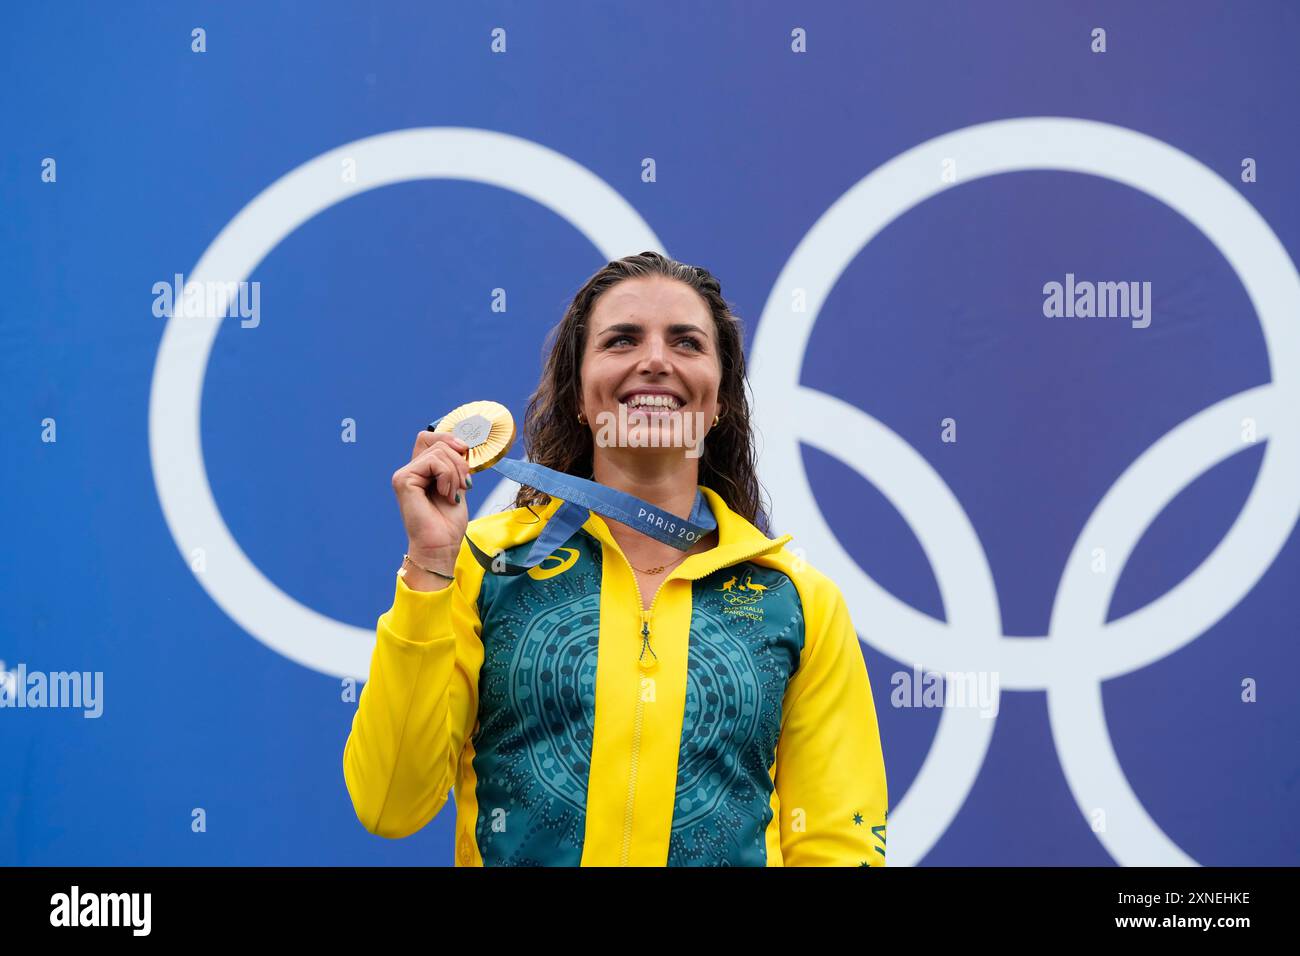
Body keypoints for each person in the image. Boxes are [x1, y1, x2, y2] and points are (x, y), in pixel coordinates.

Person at [343, 251, 887, 866]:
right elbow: (390, 804)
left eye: (686, 343)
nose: (655, 361)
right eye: (622, 340)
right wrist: (430, 565)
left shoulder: (797, 601)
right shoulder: (486, 566)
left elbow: (840, 846)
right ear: (578, 394)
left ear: (719, 402)